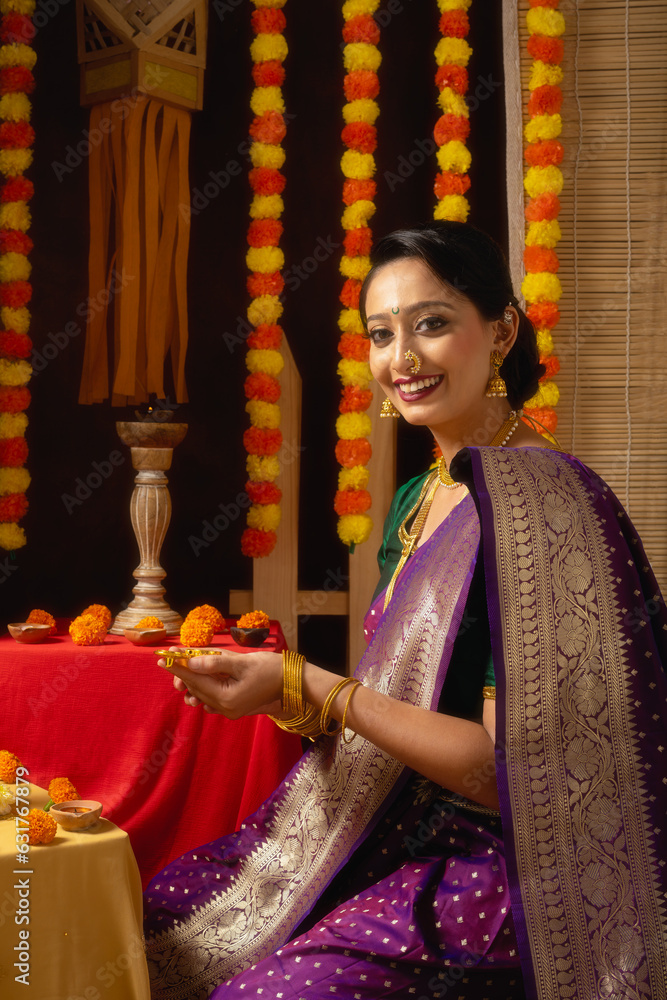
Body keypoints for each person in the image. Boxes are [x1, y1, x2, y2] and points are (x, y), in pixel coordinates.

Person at [143, 222, 667, 1000]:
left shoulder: (547, 508)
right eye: (381, 335)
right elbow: (398, 702)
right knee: (159, 916)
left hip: (510, 858)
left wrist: (312, 683)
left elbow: (509, 775)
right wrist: (279, 693)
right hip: (391, 822)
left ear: (499, 331)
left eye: (431, 324)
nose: (402, 359)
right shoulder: (419, 500)